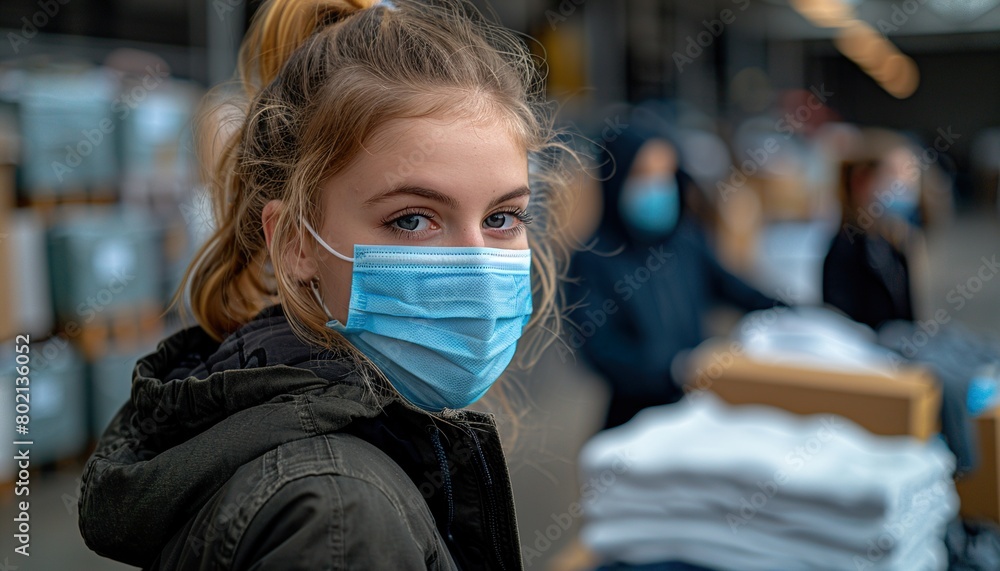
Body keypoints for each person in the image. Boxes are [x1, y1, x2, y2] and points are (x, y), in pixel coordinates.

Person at [77, 0, 574, 568]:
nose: (476, 267)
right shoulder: (339, 518)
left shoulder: (329, 442)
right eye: (411, 219)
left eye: (502, 218)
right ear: (296, 242)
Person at [568, 120, 779, 430]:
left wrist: (788, 308)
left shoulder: (686, 241)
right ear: (616, 180)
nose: (657, 186)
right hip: (633, 421)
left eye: (664, 174)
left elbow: (734, 288)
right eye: (642, 175)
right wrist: (671, 370)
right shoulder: (592, 260)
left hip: (697, 412)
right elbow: (602, 349)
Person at [822, 130, 928, 331]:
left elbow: (911, 320)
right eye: (895, 175)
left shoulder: (896, 242)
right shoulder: (846, 248)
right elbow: (840, 330)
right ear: (861, 181)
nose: (905, 186)